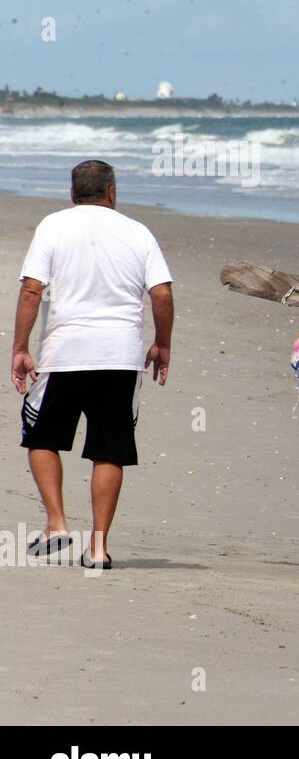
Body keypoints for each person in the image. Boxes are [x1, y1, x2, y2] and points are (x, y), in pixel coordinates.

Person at [11, 160, 174, 570]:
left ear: (72, 194)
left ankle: (57, 523)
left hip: (64, 354)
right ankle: (98, 548)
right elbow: (162, 294)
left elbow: (32, 289)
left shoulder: (53, 226)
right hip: (120, 358)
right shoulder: (138, 232)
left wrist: (20, 347)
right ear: (112, 192)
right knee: (109, 449)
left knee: (41, 437)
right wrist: (162, 344)